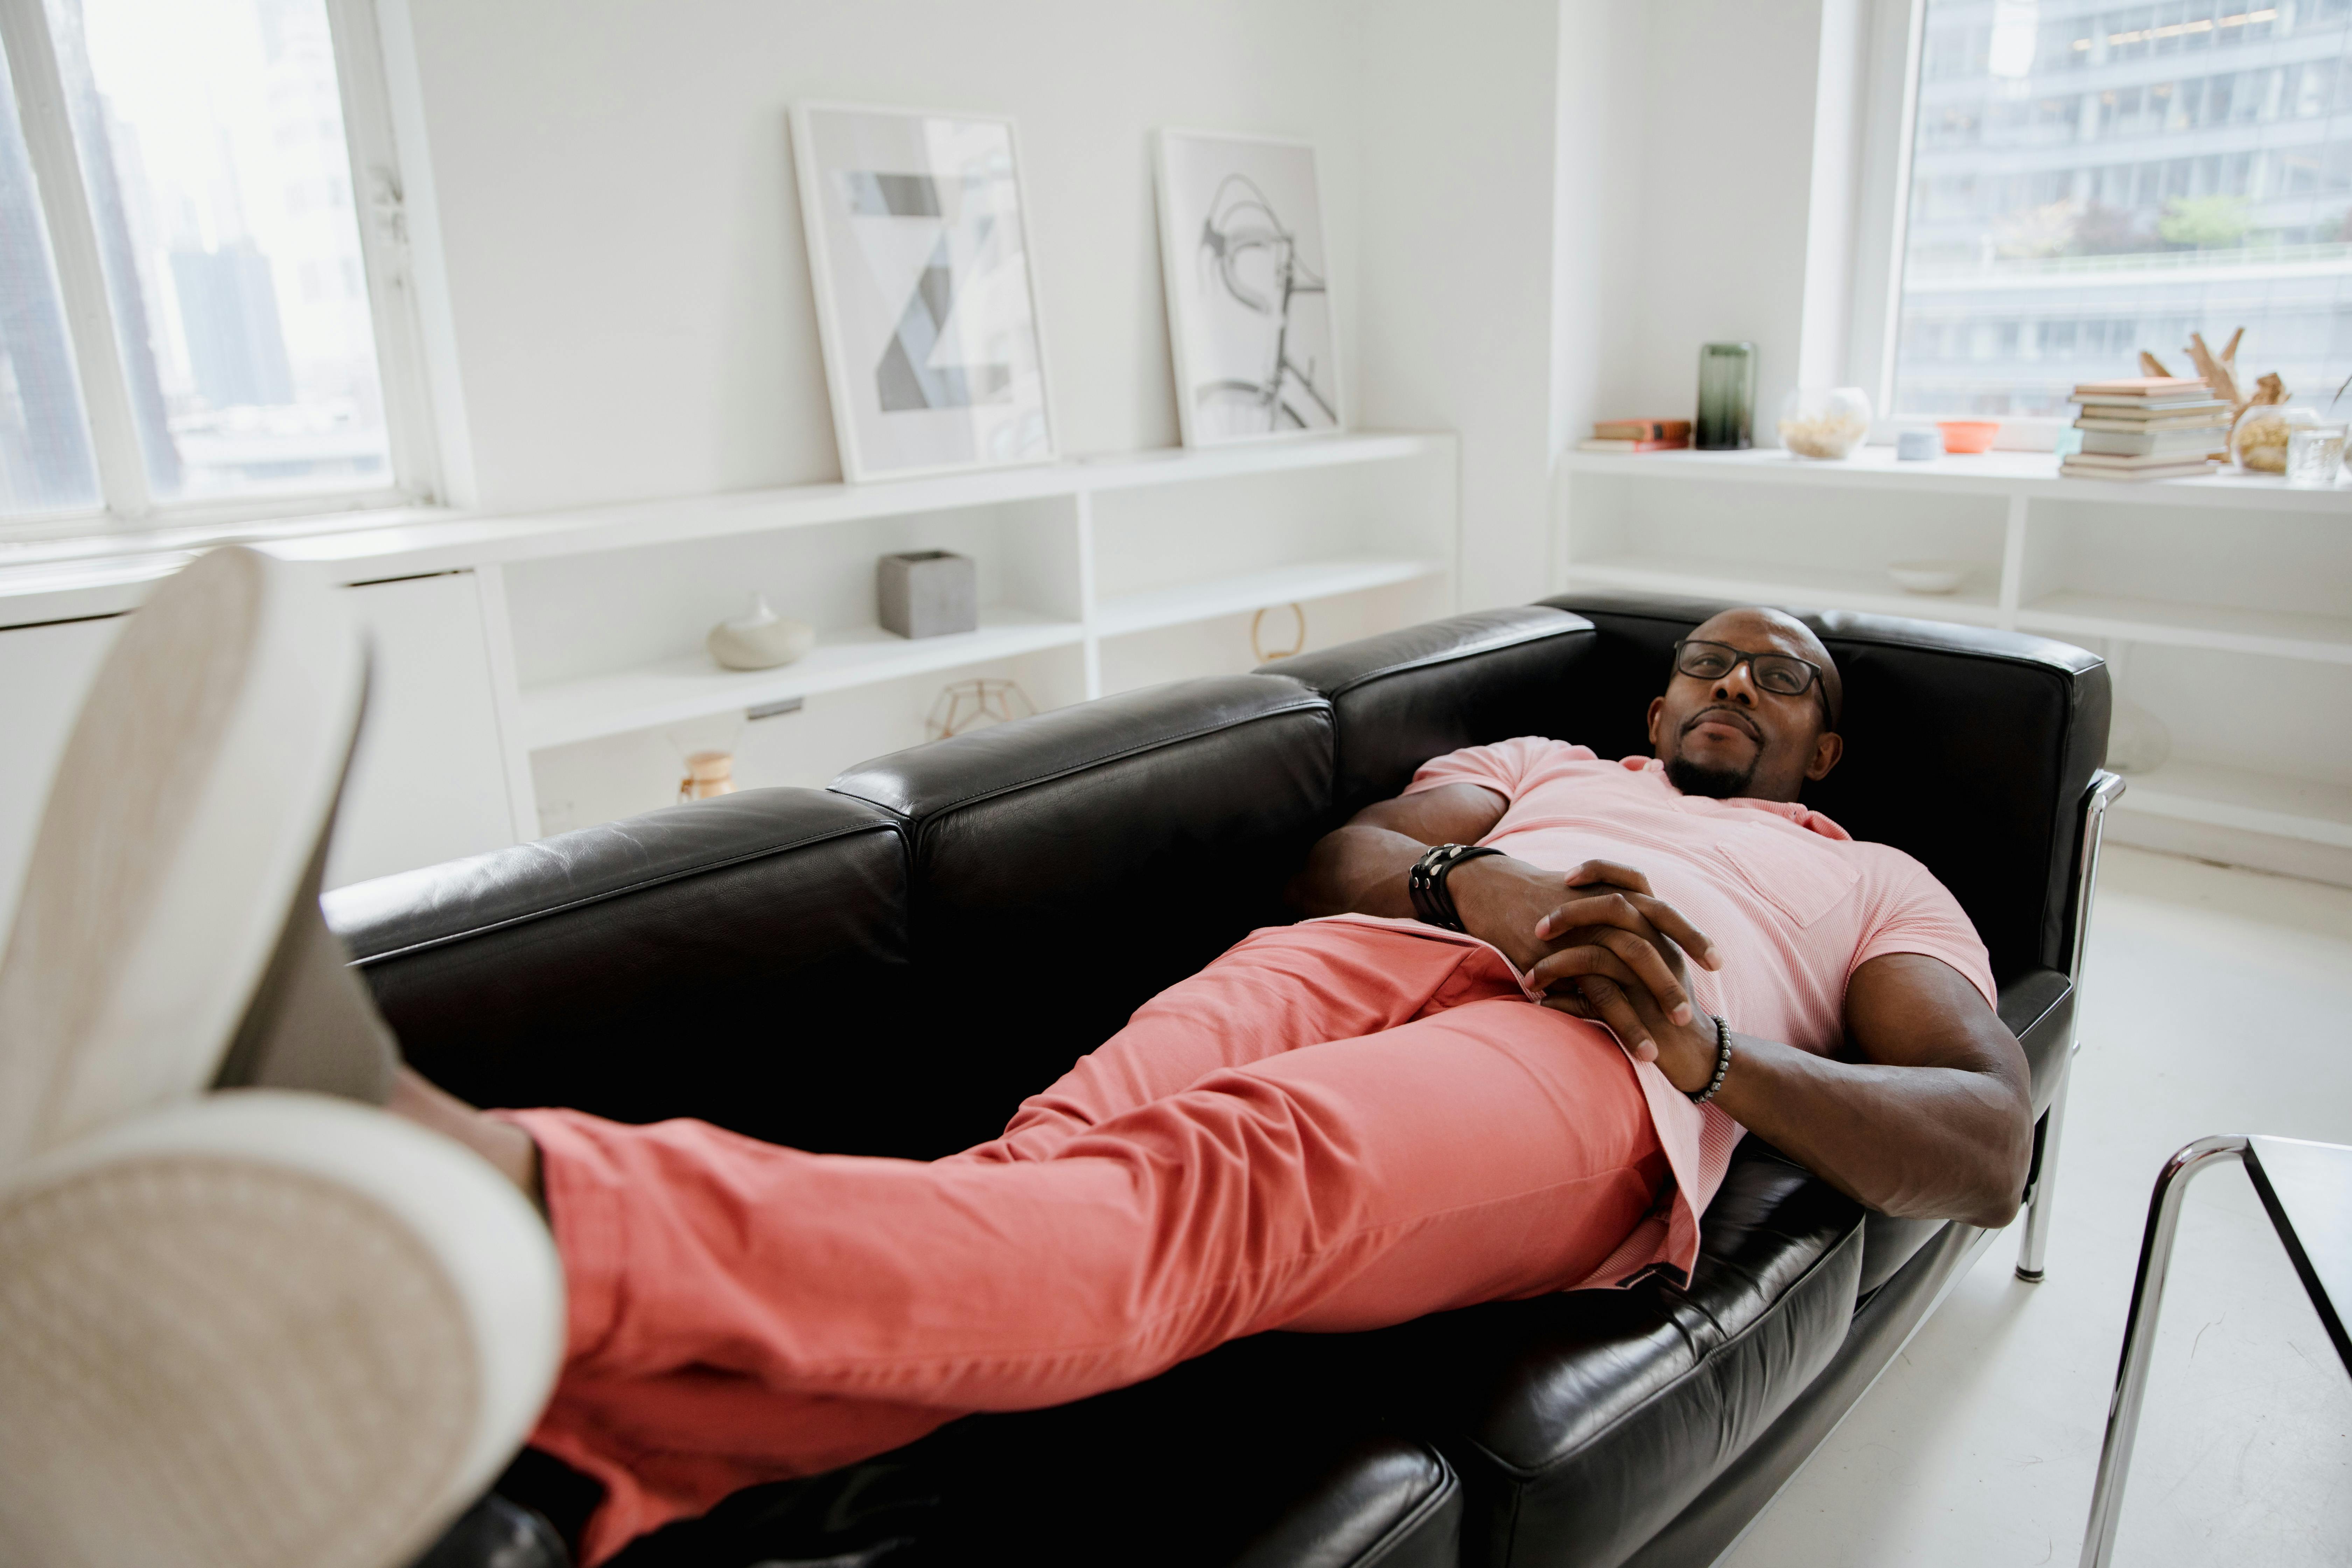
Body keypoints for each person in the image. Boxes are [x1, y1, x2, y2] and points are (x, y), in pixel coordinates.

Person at [386, 604, 2037, 1565]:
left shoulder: (1873, 879)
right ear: (1656, 702)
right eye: (1706, 665)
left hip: (1594, 1053)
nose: (1733, 685)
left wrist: (1712, 1052)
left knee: (1216, 1188)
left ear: (1824, 753)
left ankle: (514, 1212)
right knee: (1034, 1170)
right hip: (1379, 949)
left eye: (1780, 677)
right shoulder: (1542, 771)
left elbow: (1983, 1140)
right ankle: (548, 1457)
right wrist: (1485, 888)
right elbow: (1350, 856)